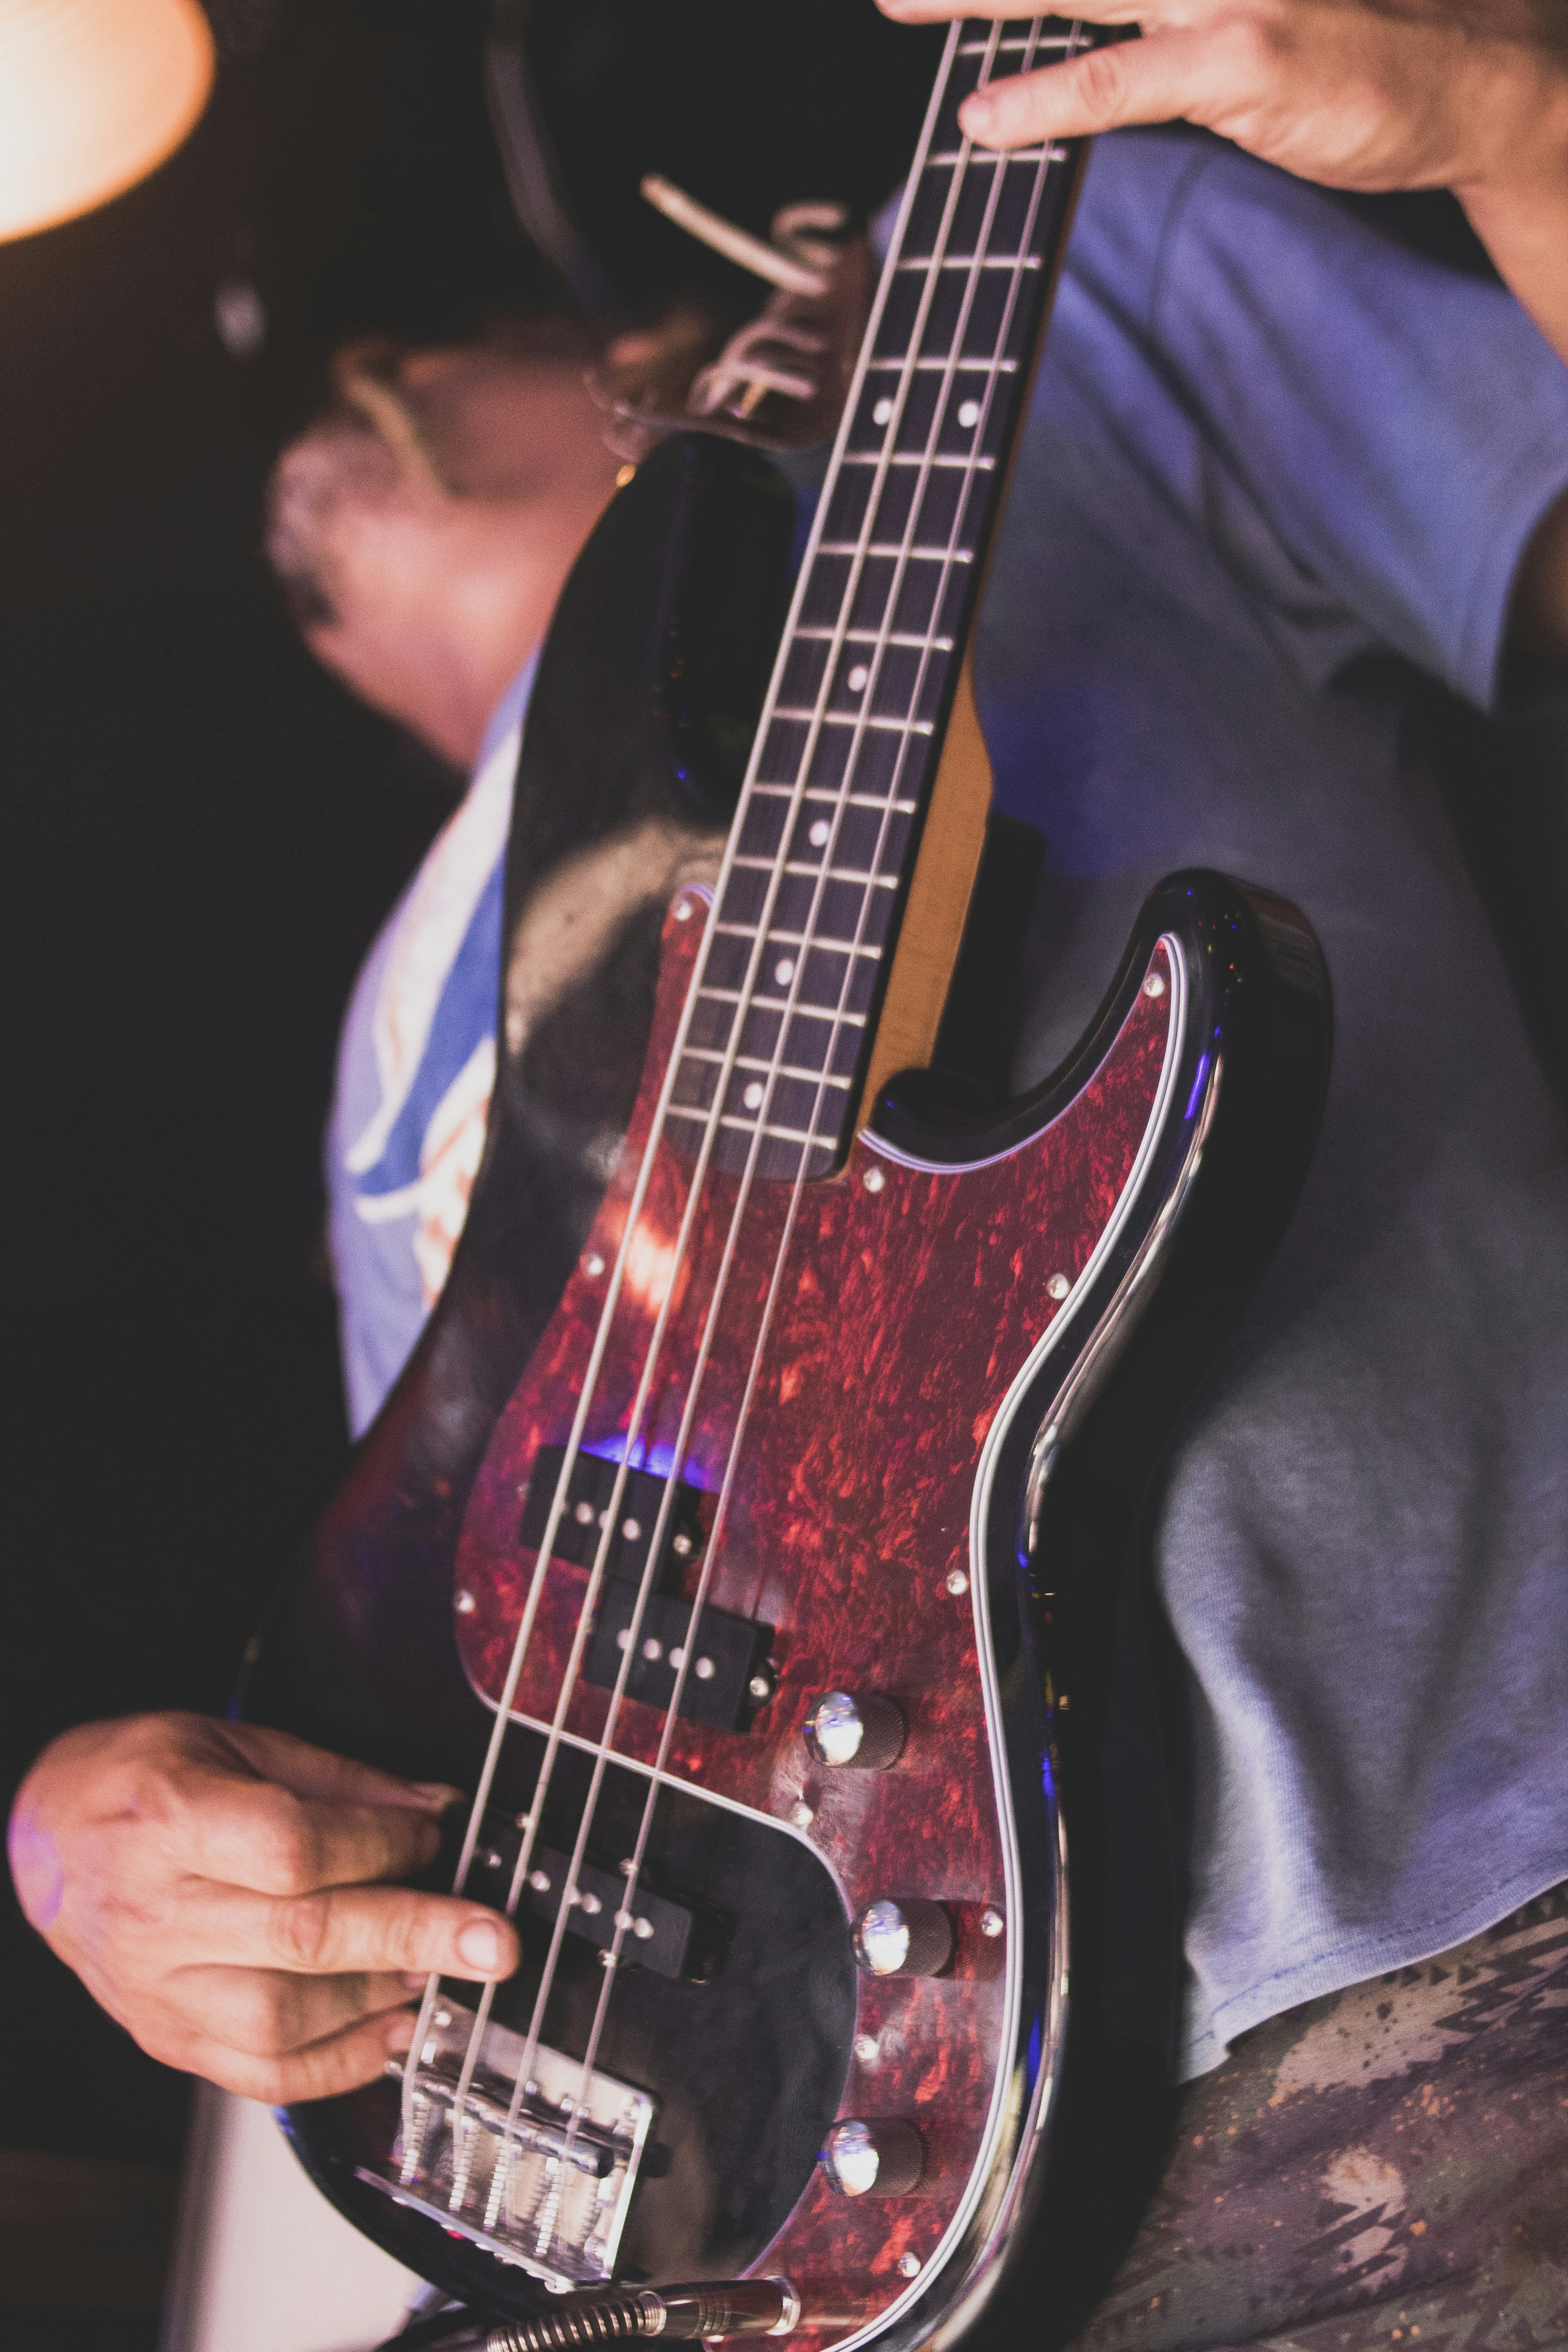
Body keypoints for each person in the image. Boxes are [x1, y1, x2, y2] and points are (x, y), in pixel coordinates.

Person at [10, 0, 1568, 2338]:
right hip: (702, 2228)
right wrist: (96, 1846)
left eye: (413, 362)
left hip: (1411, 2017)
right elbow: (446, 1701)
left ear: (692, 337)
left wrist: (1524, 123)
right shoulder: (390, 1037)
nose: (343, 419)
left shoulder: (1073, 294)